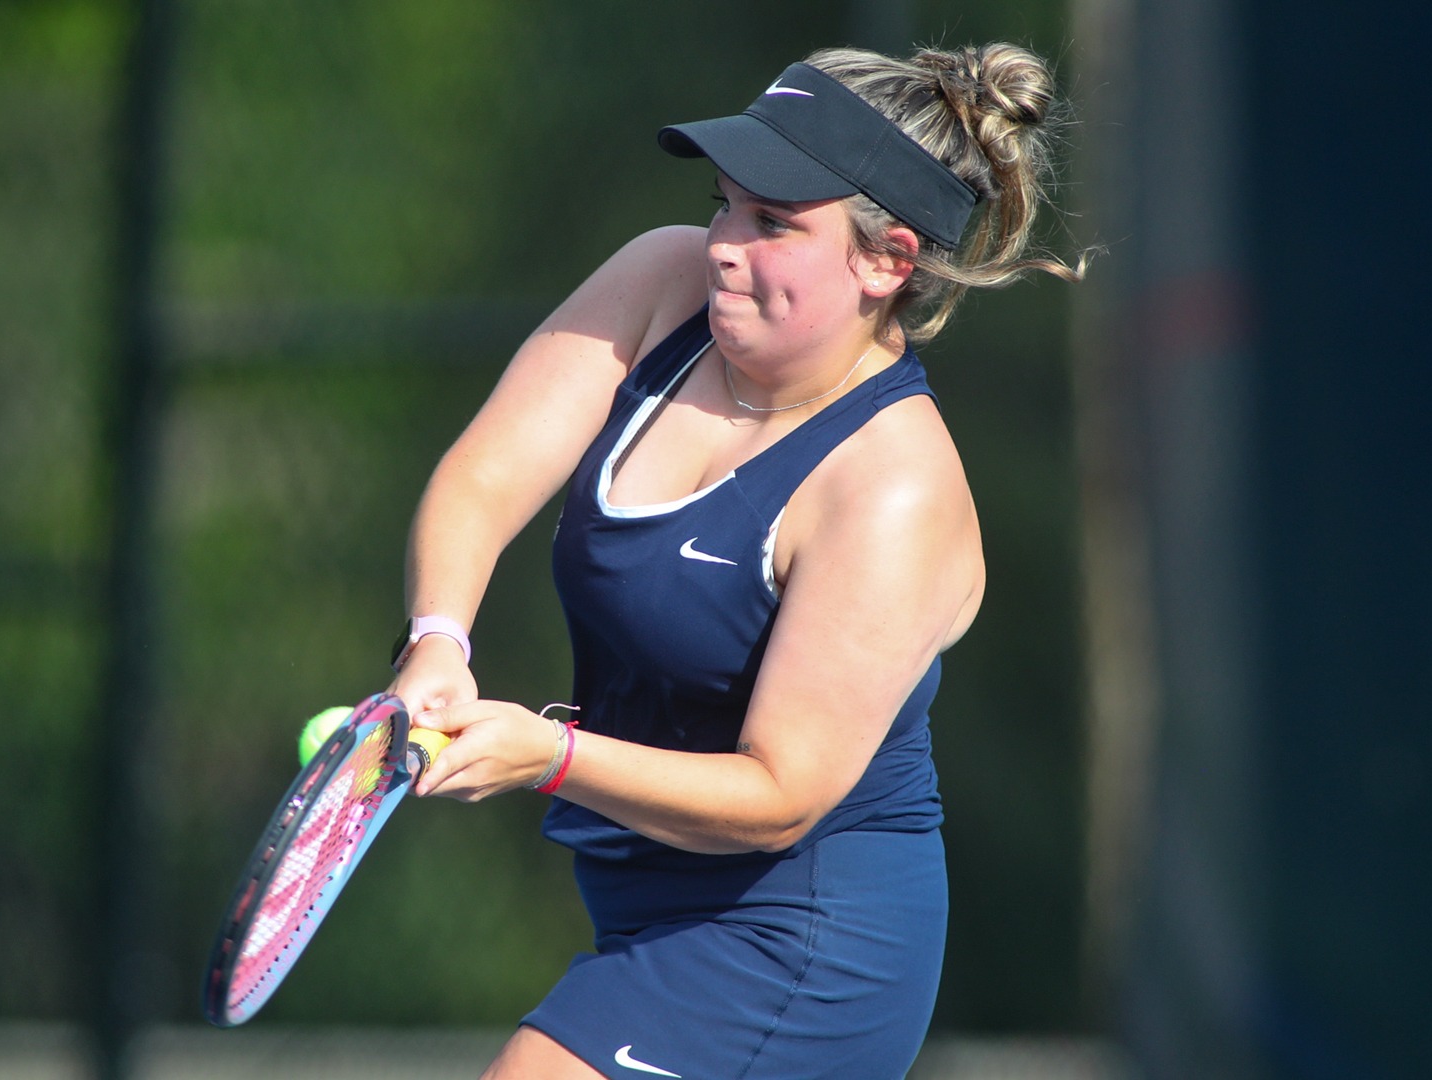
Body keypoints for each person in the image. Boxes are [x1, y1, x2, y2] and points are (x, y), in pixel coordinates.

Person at [386, 42, 1086, 1080]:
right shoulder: (659, 284)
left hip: (799, 950)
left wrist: (548, 757)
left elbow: (780, 794)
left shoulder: (892, 488)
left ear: (887, 259)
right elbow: (482, 479)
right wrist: (436, 640)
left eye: (772, 224)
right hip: (639, 913)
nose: (722, 245)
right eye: (725, 204)